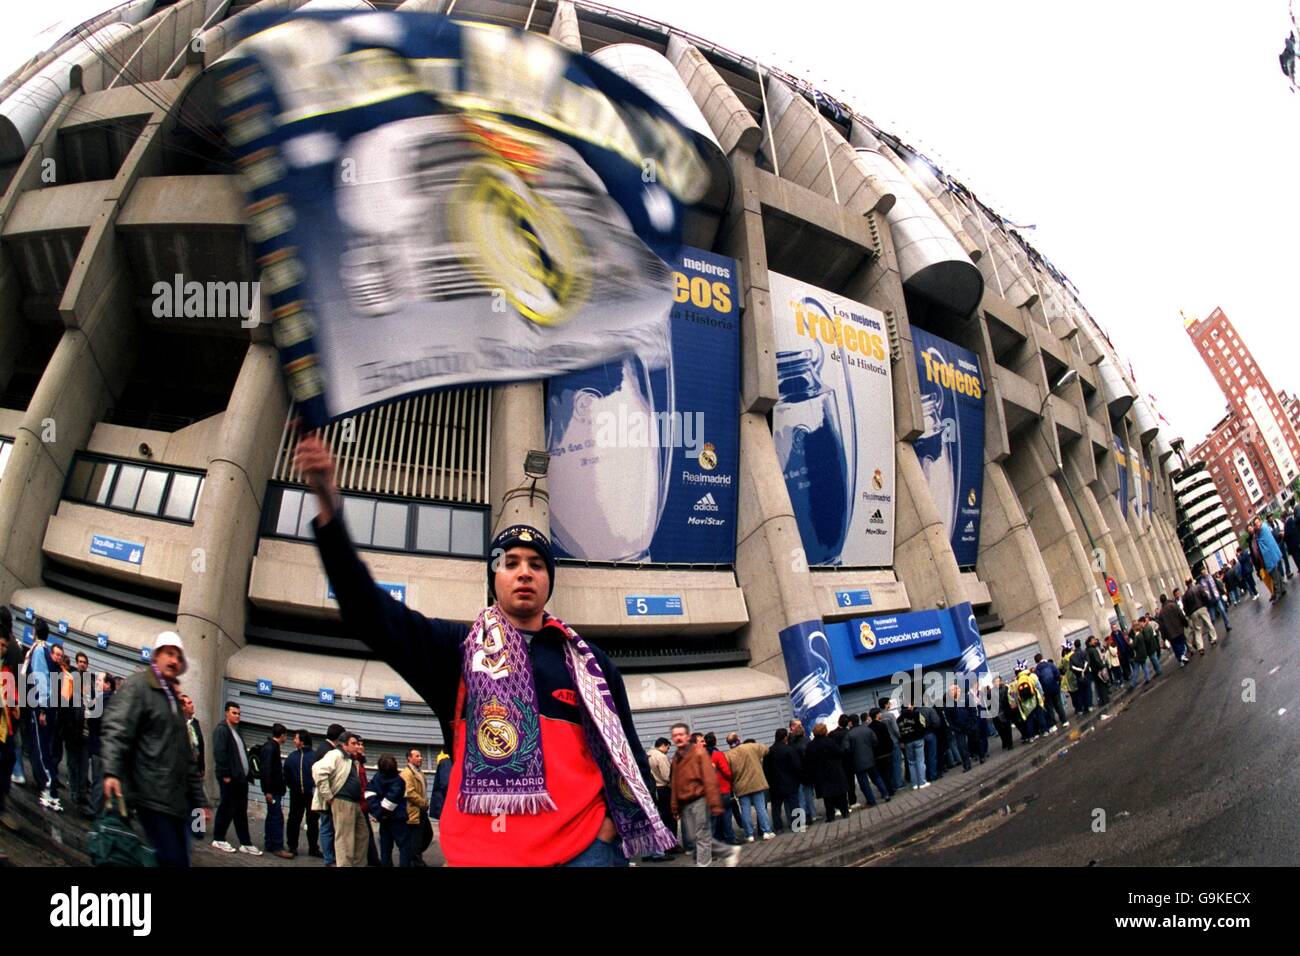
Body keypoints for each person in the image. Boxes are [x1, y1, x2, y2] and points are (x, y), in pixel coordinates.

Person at [294, 433, 671, 867]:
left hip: (585, 852)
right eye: (510, 563)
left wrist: (609, 833)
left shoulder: (591, 663)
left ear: (549, 579)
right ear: (494, 578)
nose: (523, 573)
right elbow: (369, 613)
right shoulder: (456, 651)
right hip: (480, 855)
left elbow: (628, 752)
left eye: (535, 564)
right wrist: (329, 509)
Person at [100, 632, 208, 867]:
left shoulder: (173, 701)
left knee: (176, 861)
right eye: (169, 654)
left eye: (178, 658)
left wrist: (200, 801)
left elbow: (187, 757)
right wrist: (111, 772)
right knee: (171, 860)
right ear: (156, 656)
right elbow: (117, 728)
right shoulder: (138, 687)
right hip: (150, 796)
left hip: (176, 804)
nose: (173, 661)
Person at [669, 723, 738, 867]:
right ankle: (727, 852)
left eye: (681, 734)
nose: (678, 738)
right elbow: (675, 783)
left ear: (687, 737)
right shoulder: (676, 758)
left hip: (699, 799)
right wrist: (675, 807)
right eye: (675, 735)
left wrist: (714, 803)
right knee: (694, 837)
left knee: (701, 837)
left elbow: (710, 779)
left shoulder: (699, 754)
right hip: (685, 803)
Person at [210, 701, 260, 856]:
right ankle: (218, 838)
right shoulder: (222, 730)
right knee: (226, 808)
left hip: (240, 779)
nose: (237, 716)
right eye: (234, 713)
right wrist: (225, 774)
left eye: (239, 713)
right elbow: (220, 753)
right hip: (230, 779)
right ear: (226, 713)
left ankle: (245, 842)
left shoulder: (236, 731)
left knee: (240, 812)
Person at [314, 731, 368, 867]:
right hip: (343, 801)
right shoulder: (335, 755)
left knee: (362, 836)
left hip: (354, 803)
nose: (357, 746)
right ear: (344, 745)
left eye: (358, 744)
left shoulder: (351, 759)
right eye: (353, 744)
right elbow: (318, 771)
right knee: (345, 840)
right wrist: (328, 796)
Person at [25, 623, 63, 812]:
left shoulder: (39, 651)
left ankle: (50, 790)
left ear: (35, 632)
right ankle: (51, 791)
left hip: (41, 706)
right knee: (43, 749)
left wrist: (41, 709)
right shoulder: (45, 650)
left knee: (41, 750)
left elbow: (41, 680)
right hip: (44, 706)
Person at [723, 733, 775, 841]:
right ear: (738, 739)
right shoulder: (751, 747)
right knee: (761, 808)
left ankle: (749, 834)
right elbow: (766, 749)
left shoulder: (728, 755)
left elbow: (727, 771)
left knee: (745, 810)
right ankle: (766, 831)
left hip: (741, 786)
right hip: (757, 783)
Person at [366, 753, 411, 867]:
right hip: (398, 819)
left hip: (384, 821)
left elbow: (369, 794)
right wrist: (381, 813)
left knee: (385, 849)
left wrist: (377, 813)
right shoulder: (399, 781)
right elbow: (391, 801)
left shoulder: (377, 777)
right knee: (404, 848)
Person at [62, 651, 92, 816]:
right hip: (73, 732)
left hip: (85, 733)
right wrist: (68, 730)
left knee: (83, 767)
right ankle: (75, 794)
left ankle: (81, 794)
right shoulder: (71, 681)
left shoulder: (89, 685)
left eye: (84, 662)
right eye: (80, 661)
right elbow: (66, 710)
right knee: (73, 764)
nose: (82, 664)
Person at [312, 724, 345, 865]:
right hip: (326, 797)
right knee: (327, 827)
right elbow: (321, 775)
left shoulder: (323, 747)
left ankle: (330, 857)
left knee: (328, 827)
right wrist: (329, 796)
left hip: (326, 795)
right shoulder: (329, 751)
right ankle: (329, 858)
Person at [803, 723, 851, 819]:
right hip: (835, 770)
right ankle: (844, 812)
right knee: (841, 793)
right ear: (824, 731)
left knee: (827, 796)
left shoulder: (810, 745)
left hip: (820, 773)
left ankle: (830, 815)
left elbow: (808, 760)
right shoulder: (830, 742)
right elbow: (839, 753)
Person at [284, 730, 319, 858]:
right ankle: (293, 846)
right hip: (297, 794)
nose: (294, 740)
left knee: (312, 821)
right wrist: (292, 786)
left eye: (296, 738)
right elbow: (286, 774)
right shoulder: (293, 756)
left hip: (311, 794)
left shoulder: (314, 756)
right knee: (294, 820)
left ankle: (313, 848)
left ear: (302, 741)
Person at [259, 723, 291, 858]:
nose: (286, 738)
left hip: (273, 790)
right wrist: (268, 791)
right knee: (277, 817)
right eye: (286, 735)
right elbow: (266, 770)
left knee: (272, 816)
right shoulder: (271, 748)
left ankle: (269, 843)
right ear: (282, 735)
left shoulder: (271, 746)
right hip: (273, 791)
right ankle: (277, 846)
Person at [0, 622, 19, 831]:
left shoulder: (6, 666)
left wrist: (14, 704)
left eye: (5, 646)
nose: (2, 649)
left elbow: (10, 688)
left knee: (8, 759)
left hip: (4, 726)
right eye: (1, 645)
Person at [702, 732, 738, 845]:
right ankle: (729, 838)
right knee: (726, 814)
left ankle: (716, 840)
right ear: (715, 741)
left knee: (713, 817)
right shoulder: (718, 755)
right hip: (722, 789)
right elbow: (727, 772)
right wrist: (731, 780)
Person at [844, 713, 887, 804]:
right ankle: (885, 794)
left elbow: (846, 749)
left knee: (864, 783)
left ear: (851, 722)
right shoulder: (867, 729)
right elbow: (875, 742)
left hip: (858, 762)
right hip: (870, 759)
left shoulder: (849, 734)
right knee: (877, 777)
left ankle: (872, 801)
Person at [766, 728, 802, 832]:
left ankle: (778, 828)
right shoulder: (789, 750)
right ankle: (797, 825)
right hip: (790, 782)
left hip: (775, 785)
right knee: (794, 804)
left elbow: (766, 769)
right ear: (785, 737)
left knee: (776, 807)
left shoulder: (769, 751)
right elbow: (797, 766)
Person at [400, 748, 432, 865]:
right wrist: (423, 803)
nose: (421, 758)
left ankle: (414, 856)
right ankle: (416, 861)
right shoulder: (407, 773)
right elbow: (409, 793)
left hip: (421, 811)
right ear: (409, 758)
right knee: (416, 840)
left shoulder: (419, 771)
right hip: (414, 811)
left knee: (427, 835)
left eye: (421, 756)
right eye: (417, 756)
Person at [645, 737, 674, 856]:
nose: (667, 750)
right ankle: (670, 845)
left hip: (652, 790)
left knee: (658, 818)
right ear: (663, 745)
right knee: (669, 818)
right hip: (663, 790)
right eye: (668, 747)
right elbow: (667, 776)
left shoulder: (648, 754)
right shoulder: (661, 757)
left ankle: (660, 845)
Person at [788, 720, 819, 825]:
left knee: (802, 796)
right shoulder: (805, 741)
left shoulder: (791, 743)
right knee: (808, 794)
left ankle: (804, 817)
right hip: (806, 771)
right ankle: (812, 814)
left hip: (798, 773)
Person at [1253, 516, 1289, 602]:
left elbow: (1263, 544)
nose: (1257, 525)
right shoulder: (1263, 529)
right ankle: (1283, 589)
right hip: (1271, 555)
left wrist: (1257, 537)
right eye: (1255, 524)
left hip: (1269, 556)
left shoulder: (1262, 530)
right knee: (1277, 573)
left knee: (1274, 575)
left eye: (1257, 522)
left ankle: (1279, 594)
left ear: (1260, 522)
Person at [944, 684, 978, 772]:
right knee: (962, 747)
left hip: (969, 724)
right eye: (950, 690)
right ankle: (967, 765)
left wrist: (973, 721)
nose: (952, 692)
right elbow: (949, 719)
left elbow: (972, 710)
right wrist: (954, 728)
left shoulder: (965, 698)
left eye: (953, 690)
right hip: (958, 729)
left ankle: (980, 755)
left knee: (975, 741)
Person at [896, 704, 929, 790]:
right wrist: (921, 733)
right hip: (918, 739)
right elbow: (924, 724)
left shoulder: (898, 720)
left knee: (911, 763)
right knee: (920, 761)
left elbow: (898, 732)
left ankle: (914, 784)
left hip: (907, 742)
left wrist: (902, 741)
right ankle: (922, 782)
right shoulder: (916, 714)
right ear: (909, 707)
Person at [1034, 653, 1068, 732]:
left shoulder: (1037, 669)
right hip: (1055, 688)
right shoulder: (1050, 664)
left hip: (1045, 691)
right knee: (1059, 705)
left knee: (1049, 708)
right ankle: (1064, 721)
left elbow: (1037, 681)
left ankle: (1053, 725)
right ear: (1042, 658)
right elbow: (1057, 675)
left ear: (1036, 661)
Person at [1156, 592, 1190, 667]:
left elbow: (1162, 627)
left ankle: (1180, 660)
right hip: (1179, 629)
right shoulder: (1173, 605)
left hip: (1170, 633)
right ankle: (1182, 656)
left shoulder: (1161, 613)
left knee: (1175, 646)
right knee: (1182, 643)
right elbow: (1180, 615)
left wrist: (1164, 637)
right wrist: (1185, 623)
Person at [1086, 637, 1111, 707]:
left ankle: (1102, 701)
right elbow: (1097, 660)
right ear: (1089, 642)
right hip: (1098, 670)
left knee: (1098, 686)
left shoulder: (1087, 650)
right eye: (1093, 640)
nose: (1095, 641)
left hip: (1093, 671)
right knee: (1102, 685)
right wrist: (1102, 666)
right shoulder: (1093, 650)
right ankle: (1105, 700)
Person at [1068, 639, 1092, 713]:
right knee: (1088, 690)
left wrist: (1078, 671)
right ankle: (1089, 706)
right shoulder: (1084, 652)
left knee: (1081, 692)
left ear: (1075, 646)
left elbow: (1071, 667)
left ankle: (1084, 707)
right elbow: (1088, 662)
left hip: (1078, 676)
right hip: (1086, 674)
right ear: (1080, 644)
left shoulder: (1072, 657)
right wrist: (1084, 670)